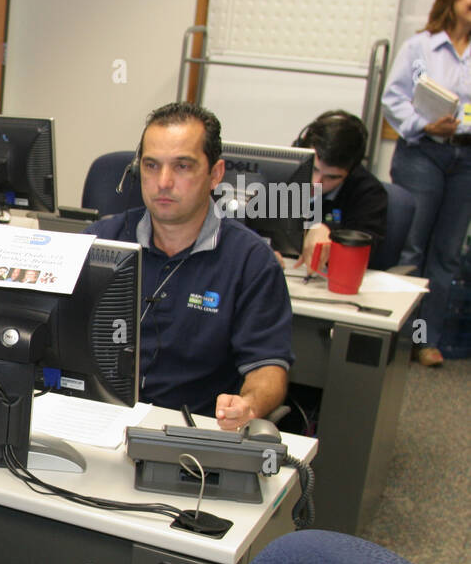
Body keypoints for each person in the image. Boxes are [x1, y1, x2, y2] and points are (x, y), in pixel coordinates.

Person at [86, 103, 293, 428]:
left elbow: (267, 367)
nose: (163, 182)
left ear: (215, 174)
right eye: (151, 166)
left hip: (188, 434)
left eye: (182, 166)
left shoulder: (250, 261)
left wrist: (248, 404)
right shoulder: (101, 241)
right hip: (93, 417)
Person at [382, 0, 471, 368]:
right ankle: (399, 337)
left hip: (466, 156)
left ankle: (426, 340)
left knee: (448, 254)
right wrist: (424, 123)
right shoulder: (422, 46)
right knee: (412, 247)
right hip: (423, 151)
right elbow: (394, 98)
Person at [290, 110, 388, 268]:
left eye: (331, 177)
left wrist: (331, 234)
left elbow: (366, 250)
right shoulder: (284, 168)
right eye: (313, 169)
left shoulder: (369, 193)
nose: (317, 183)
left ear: (350, 172)